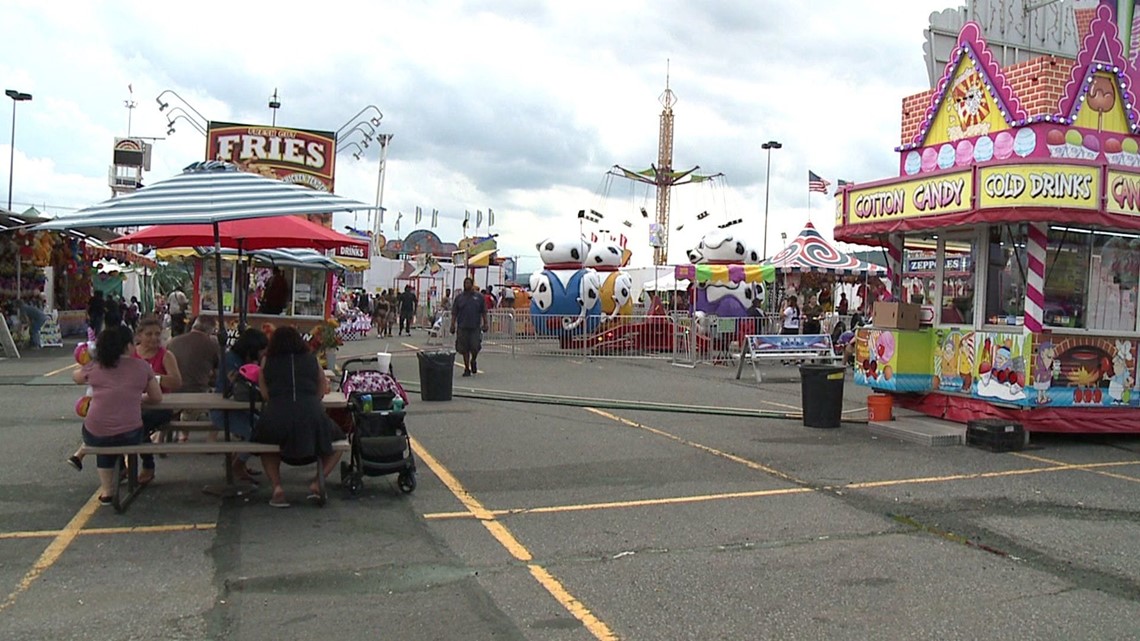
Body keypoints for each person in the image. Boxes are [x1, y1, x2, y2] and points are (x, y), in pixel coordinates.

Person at [252, 326, 344, 507]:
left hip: (277, 415)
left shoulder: (267, 361)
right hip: (311, 415)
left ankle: (277, 487)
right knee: (340, 442)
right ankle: (318, 481)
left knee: (265, 444)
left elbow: (265, 395)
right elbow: (321, 391)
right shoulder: (311, 359)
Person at [70, 325, 163, 505]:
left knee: (102, 433)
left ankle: (107, 491)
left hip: (96, 434)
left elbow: (76, 377)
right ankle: (130, 472)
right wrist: (136, 395)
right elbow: (157, 398)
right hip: (131, 434)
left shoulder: (95, 366)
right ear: (128, 346)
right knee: (121, 428)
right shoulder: (141, 366)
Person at [211, 327, 269, 482]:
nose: (264, 353)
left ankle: (237, 463)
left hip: (237, 408)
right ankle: (237, 465)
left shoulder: (240, 358)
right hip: (223, 410)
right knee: (255, 433)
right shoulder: (232, 360)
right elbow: (238, 385)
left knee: (261, 428)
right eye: (262, 349)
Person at [134, 316, 183, 480]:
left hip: (160, 406)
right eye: (149, 334)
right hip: (133, 405)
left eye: (157, 334)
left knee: (136, 426)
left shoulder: (166, 356)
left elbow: (176, 382)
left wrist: (155, 378)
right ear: (139, 335)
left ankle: (148, 465)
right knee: (122, 425)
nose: (154, 338)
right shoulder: (131, 354)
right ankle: (122, 465)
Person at [451, 277, 489, 376]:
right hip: (462, 326)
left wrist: (485, 323)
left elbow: (484, 311)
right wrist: (452, 325)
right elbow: (454, 312)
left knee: (475, 347)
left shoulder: (479, 297)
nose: (466, 285)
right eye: (465, 283)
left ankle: (473, 360)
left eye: (468, 283)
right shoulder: (459, 298)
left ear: (472, 284)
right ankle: (467, 368)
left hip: (475, 327)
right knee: (464, 349)